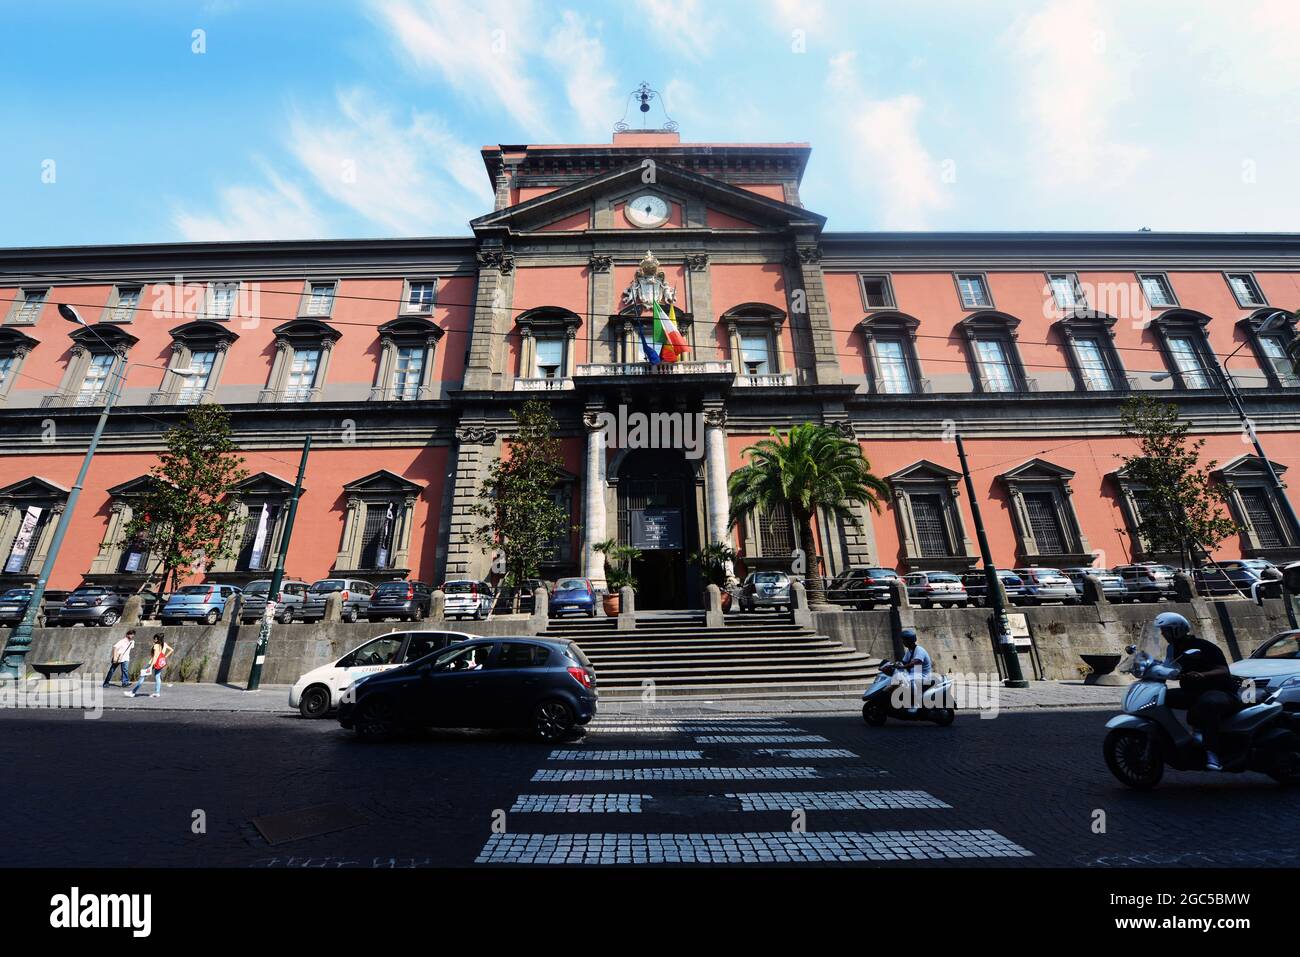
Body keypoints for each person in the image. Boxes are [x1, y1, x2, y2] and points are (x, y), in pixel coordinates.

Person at [1156, 612, 1239, 771]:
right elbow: (1168, 667)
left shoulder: (1204, 646)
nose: (1162, 634)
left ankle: (1212, 752)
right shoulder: (1172, 648)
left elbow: (1223, 670)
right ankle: (1174, 739)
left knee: (1208, 704)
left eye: (1165, 630)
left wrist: (1202, 675)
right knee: (1160, 697)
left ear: (1176, 630)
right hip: (1194, 692)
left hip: (1221, 691)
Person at [125, 634, 175, 699]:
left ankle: (133, 692)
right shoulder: (164, 644)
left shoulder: (156, 646)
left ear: (157, 639)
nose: (153, 640)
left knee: (142, 676)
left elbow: (155, 656)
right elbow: (171, 650)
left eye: (154, 638)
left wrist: (151, 666)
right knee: (157, 677)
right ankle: (157, 692)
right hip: (160, 662)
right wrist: (165, 657)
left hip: (153, 663)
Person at [896, 627, 933, 712]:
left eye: (904, 640)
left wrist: (903, 667)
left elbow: (914, 663)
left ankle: (916, 704)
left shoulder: (919, 650)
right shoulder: (909, 651)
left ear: (910, 640)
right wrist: (895, 664)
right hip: (915, 674)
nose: (903, 642)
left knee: (910, 683)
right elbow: (904, 662)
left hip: (923, 676)